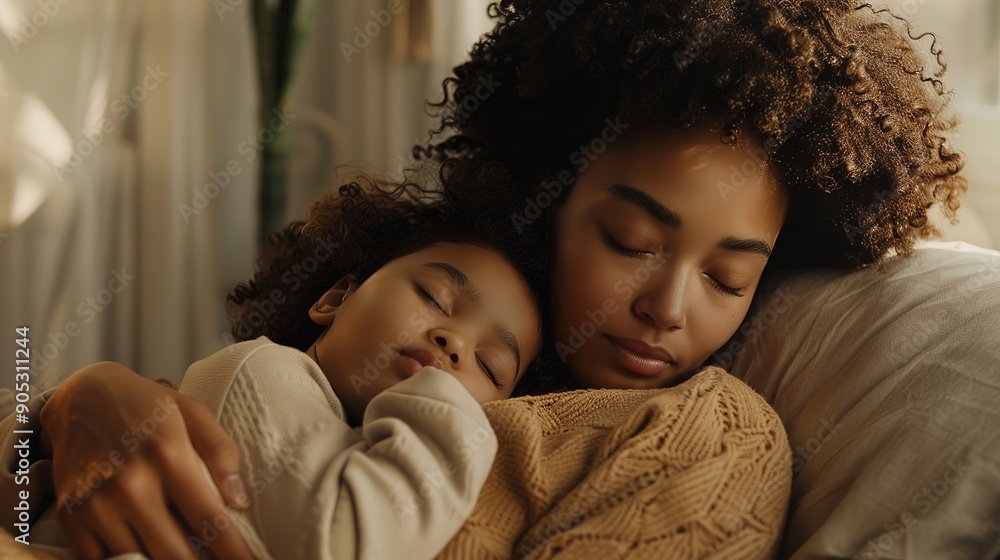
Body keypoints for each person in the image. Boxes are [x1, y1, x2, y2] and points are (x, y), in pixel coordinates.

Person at [1, 0, 966, 557]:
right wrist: (64, 410)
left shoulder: (697, 436)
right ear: (551, 195)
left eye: (727, 276)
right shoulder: (352, 357)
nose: (668, 309)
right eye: (632, 236)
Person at [17, 180, 549, 560]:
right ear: (336, 296)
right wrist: (454, 419)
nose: (454, 342)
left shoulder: (350, 440)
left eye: (489, 364)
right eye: (432, 296)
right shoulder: (261, 368)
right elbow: (337, 542)